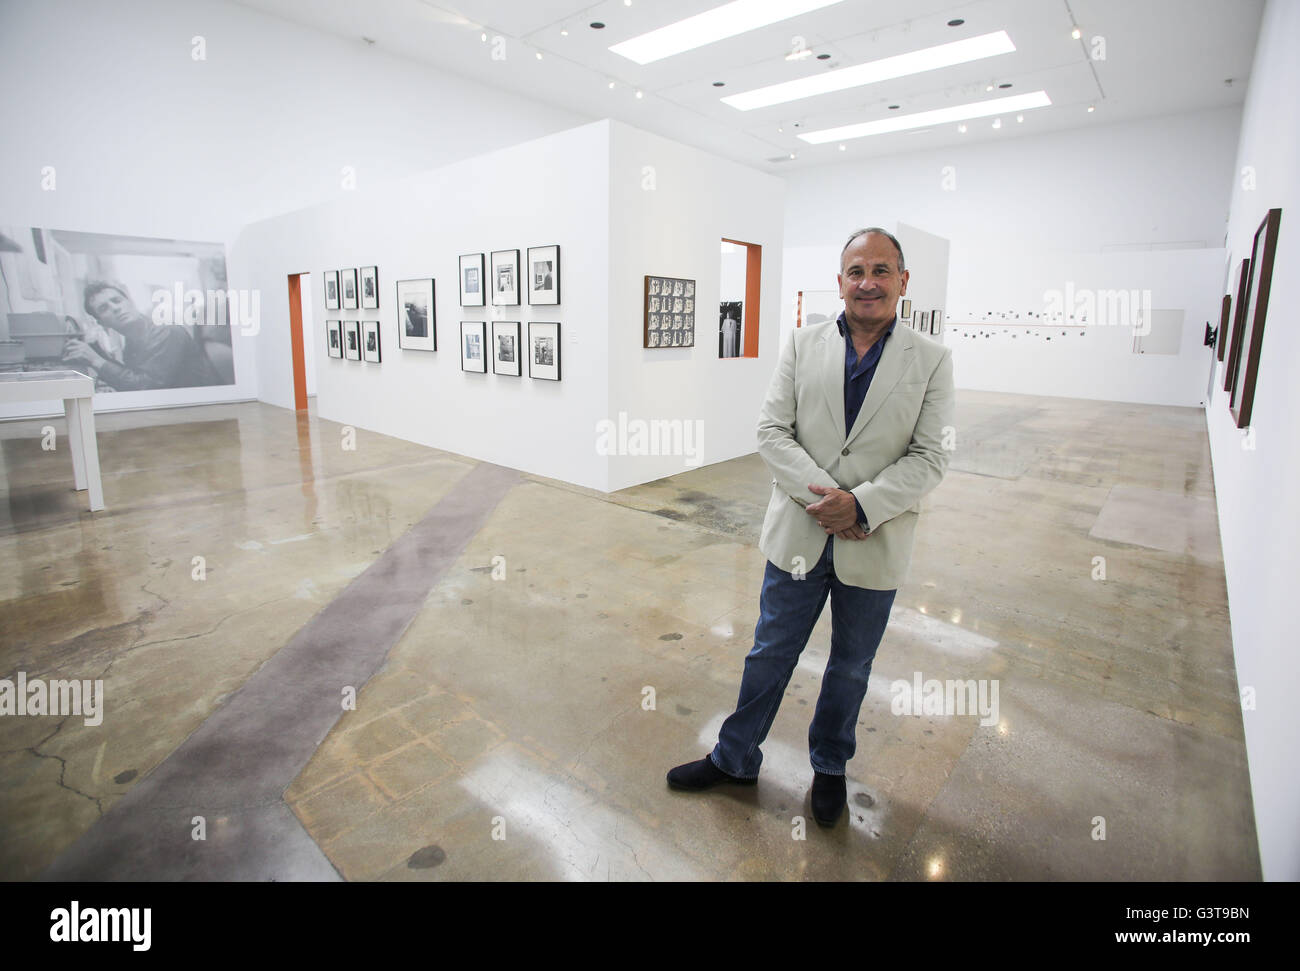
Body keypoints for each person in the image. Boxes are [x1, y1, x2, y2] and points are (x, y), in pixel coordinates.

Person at [667, 227, 954, 826]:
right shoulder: (802, 344)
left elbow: (931, 456)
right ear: (841, 280)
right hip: (801, 533)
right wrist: (830, 499)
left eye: (881, 271)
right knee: (770, 652)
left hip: (873, 541)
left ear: (903, 282)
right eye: (856, 271)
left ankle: (829, 767)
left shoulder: (930, 359)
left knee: (850, 667)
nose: (867, 282)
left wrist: (863, 505)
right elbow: (772, 431)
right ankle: (734, 756)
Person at [63, 281, 223, 391]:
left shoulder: (166, 332)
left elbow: (147, 386)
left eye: (117, 300)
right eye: (104, 308)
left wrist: (96, 360)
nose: (115, 308)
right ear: (102, 323)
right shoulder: (133, 342)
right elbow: (133, 377)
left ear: (130, 301)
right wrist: (95, 351)